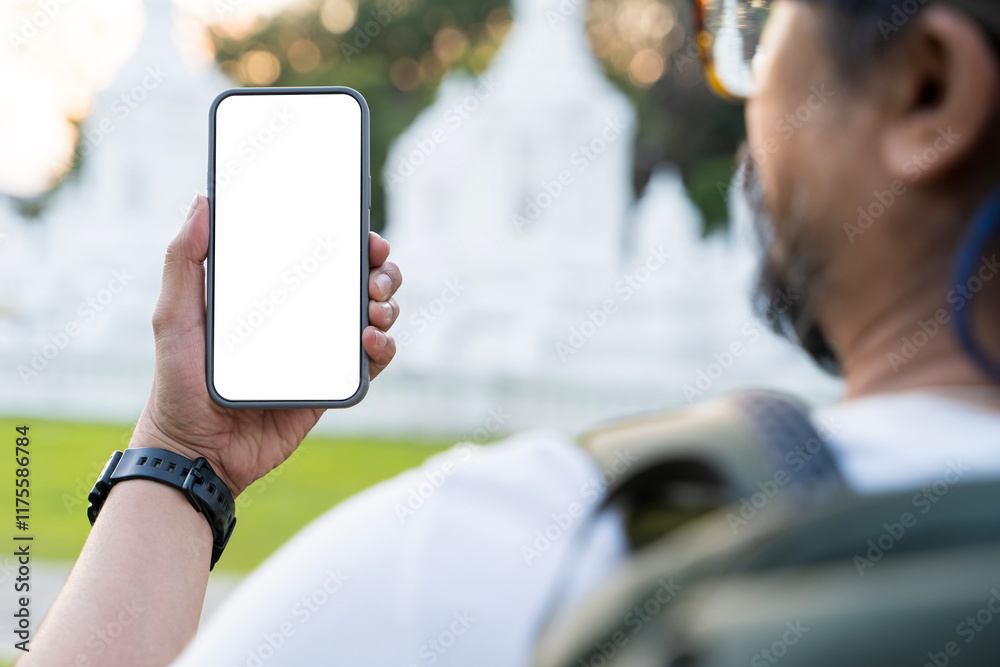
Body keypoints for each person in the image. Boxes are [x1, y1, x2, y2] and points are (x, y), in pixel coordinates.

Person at [23, 0, 1000, 664]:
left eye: (755, 22)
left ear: (927, 86)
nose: (742, 93)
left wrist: (179, 456)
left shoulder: (499, 554)